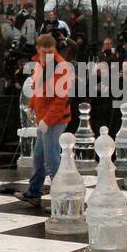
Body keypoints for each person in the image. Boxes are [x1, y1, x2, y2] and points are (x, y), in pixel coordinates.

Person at [21, 35, 73, 204]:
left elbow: (61, 100)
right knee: (39, 157)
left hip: (55, 120)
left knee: (51, 160)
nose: (48, 55)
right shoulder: (39, 64)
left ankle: (62, 199)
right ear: (38, 49)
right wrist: (31, 105)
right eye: (45, 52)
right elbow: (38, 89)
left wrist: (47, 121)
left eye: (51, 51)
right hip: (45, 119)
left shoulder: (61, 67)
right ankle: (34, 192)